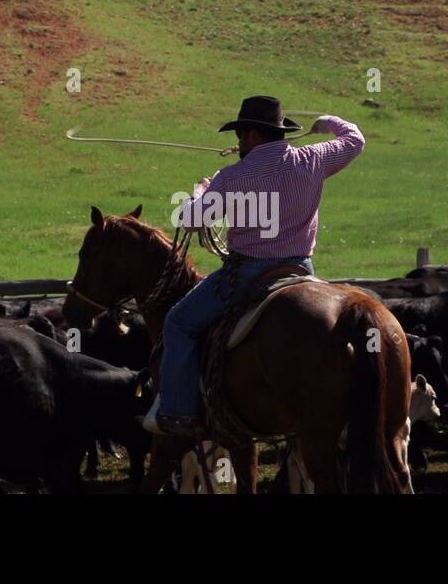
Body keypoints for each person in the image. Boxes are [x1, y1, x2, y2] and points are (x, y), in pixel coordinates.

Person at [143, 95, 365, 436]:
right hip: (300, 270)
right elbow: (355, 140)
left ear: (254, 136)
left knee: (178, 323)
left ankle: (178, 413)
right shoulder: (313, 159)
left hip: (248, 273)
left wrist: (200, 192)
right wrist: (328, 122)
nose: (239, 143)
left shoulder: (232, 178)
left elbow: (188, 219)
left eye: (240, 136)